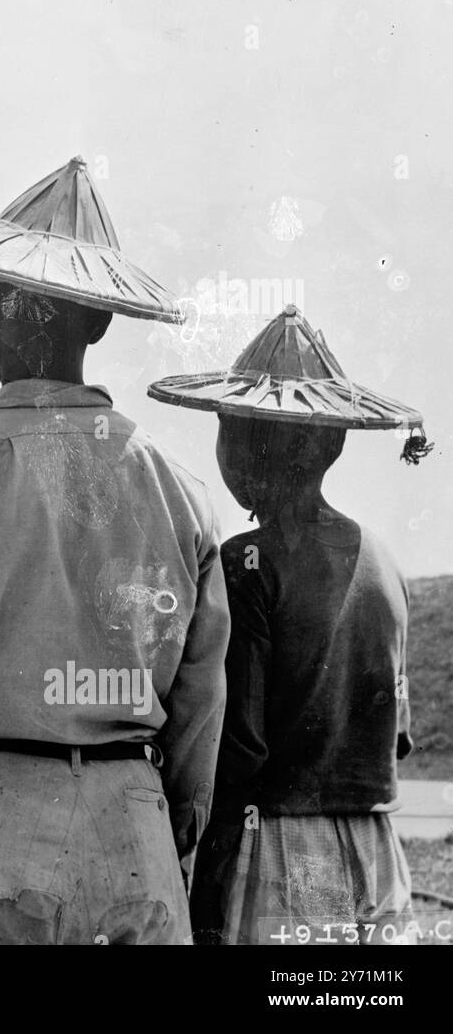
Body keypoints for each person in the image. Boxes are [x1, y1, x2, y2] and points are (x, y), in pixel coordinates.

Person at [0, 156, 230, 945]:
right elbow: (199, 703)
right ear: (98, 322)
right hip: (136, 825)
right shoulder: (181, 493)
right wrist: (177, 835)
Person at [148, 304, 431, 945]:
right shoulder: (385, 560)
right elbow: (400, 736)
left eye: (230, 430)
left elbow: (238, 745)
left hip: (273, 844)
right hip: (376, 850)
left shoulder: (245, 563)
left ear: (252, 446)